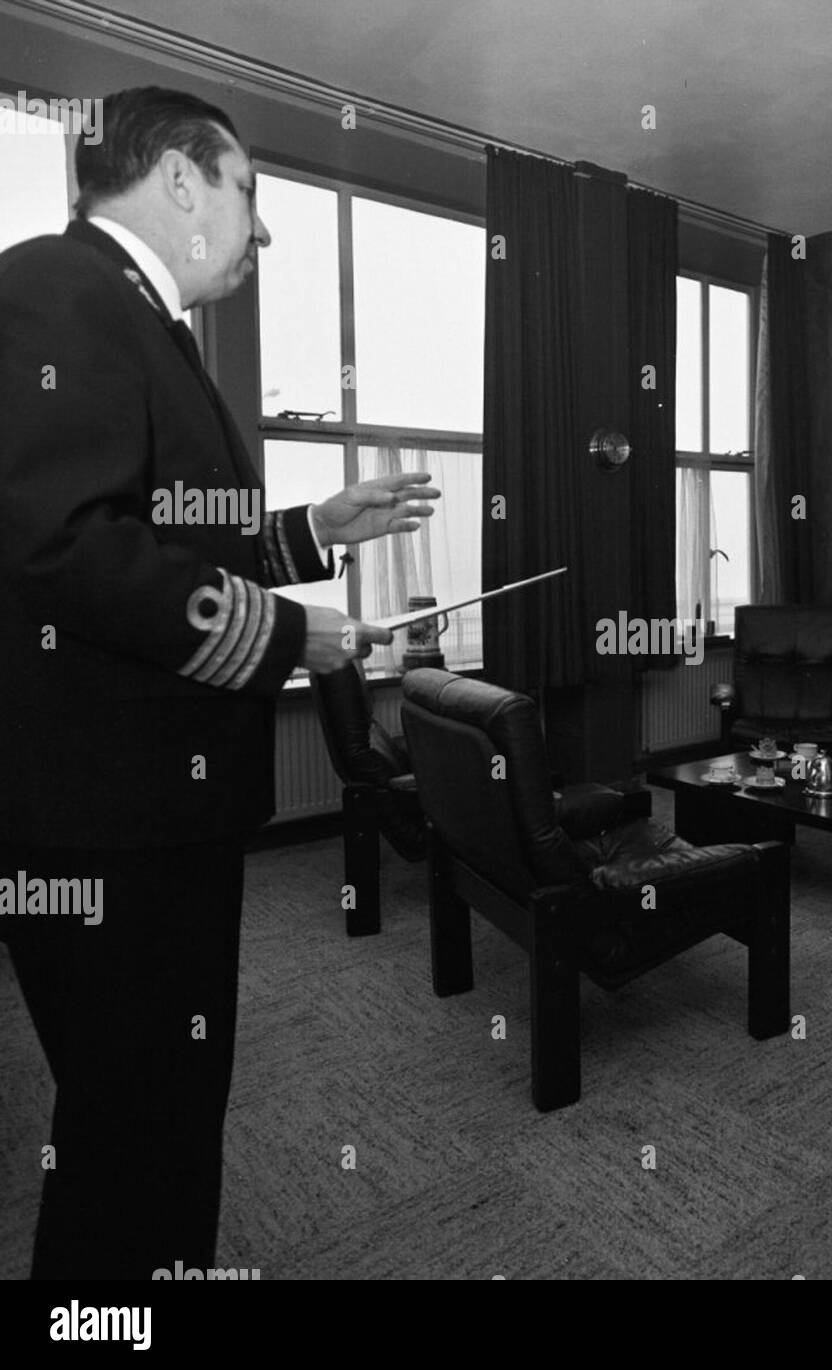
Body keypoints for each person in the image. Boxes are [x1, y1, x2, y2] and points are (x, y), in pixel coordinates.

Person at [0, 86, 437, 1278]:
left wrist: (316, 527)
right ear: (181, 179)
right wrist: (295, 640)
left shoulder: (134, 317)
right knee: (133, 1132)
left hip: (143, 812)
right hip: (107, 821)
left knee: (154, 1116)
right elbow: (68, 547)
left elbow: (178, 539)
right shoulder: (56, 283)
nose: (260, 228)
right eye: (250, 190)